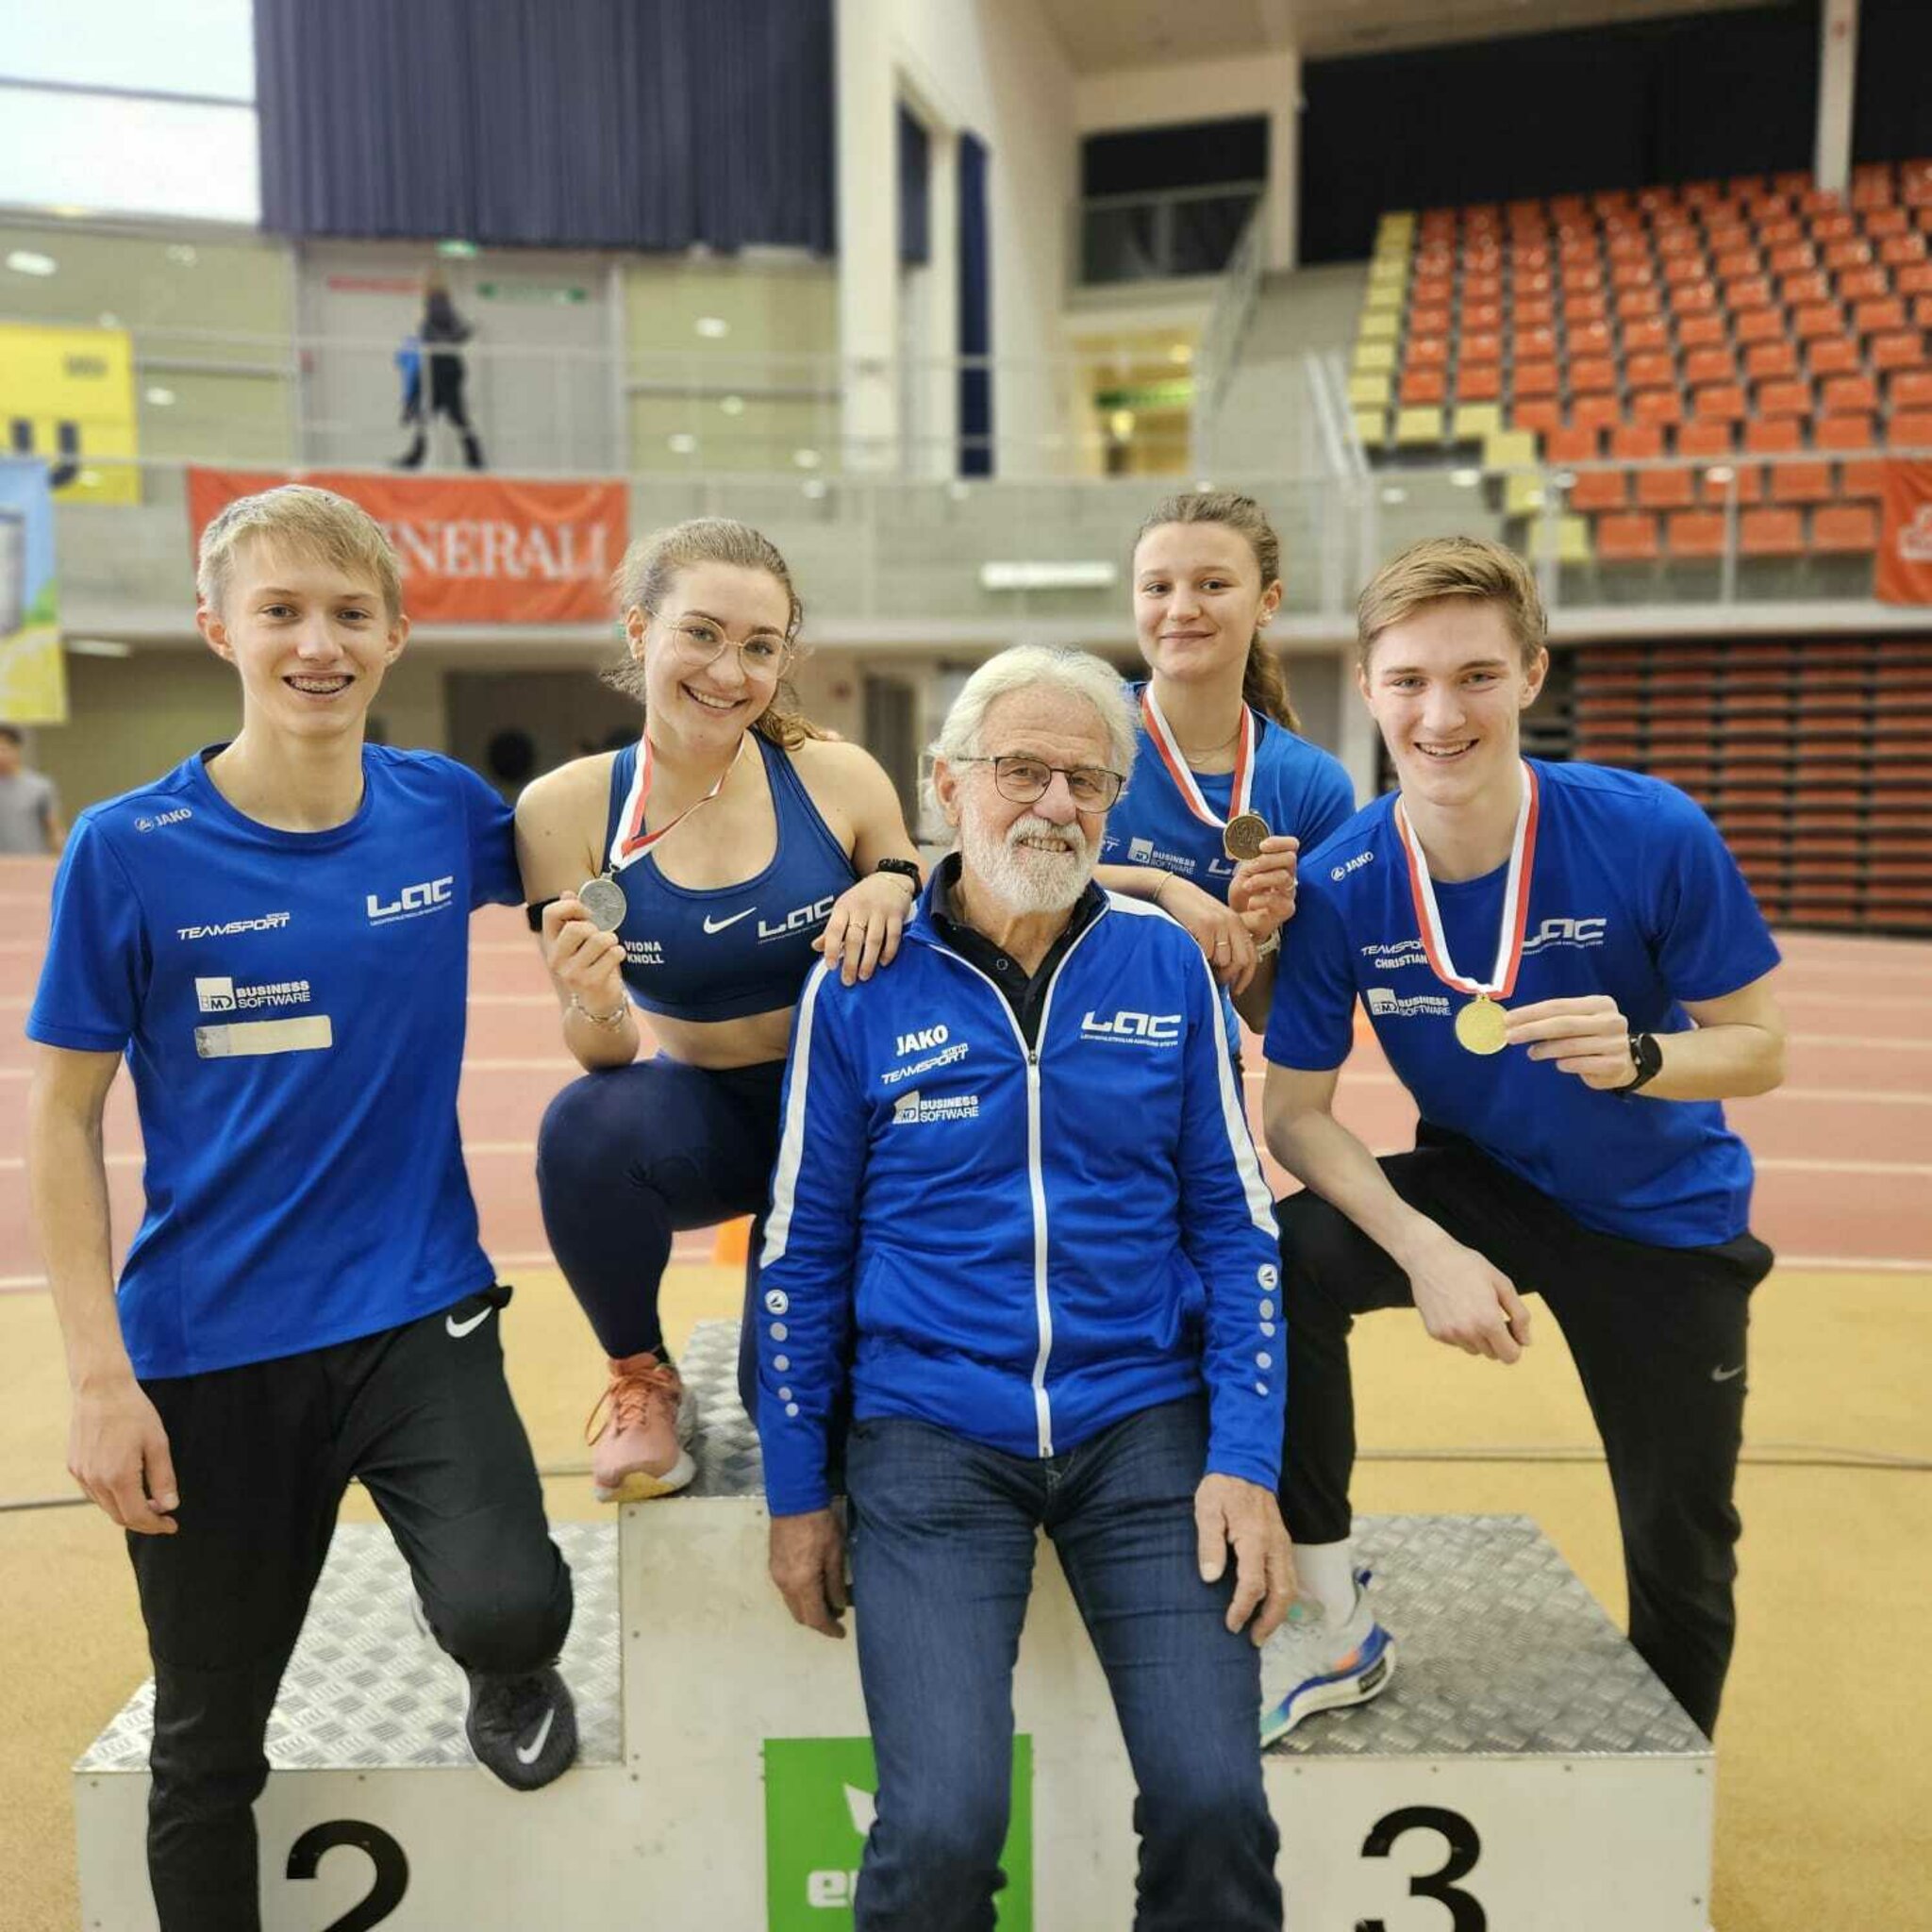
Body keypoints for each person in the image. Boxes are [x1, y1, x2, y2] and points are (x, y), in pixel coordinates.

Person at [26, 485, 576, 1932]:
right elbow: (66, 1122)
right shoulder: (128, 851)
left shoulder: (445, 813)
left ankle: (506, 1669)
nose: (315, 643)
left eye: (347, 614)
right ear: (219, 630)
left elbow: (621, 841)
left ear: (396, 636)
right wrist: (98, 1379)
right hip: (209, 1348)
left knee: (515, 1606)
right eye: (280, 611)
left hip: (417, 1311)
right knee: (209, 1750)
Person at [759, 644, 1293, 1932]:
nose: (1055, 804)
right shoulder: (860, 982)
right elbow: (799, 1252)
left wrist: (1246, 1458)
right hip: (930, 1440)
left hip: (1143, 1435)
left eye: (1086, 781)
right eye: (1020, 771)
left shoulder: (1166, 969)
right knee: (940, 1831)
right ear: (947, 784)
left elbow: (1238, 1232)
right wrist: (796, 1493)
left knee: (1218, 1803)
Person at [1257, 535, 1784, 1745]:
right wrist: (1421, 1247)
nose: (1440, 714)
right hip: (1481, 1183)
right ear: (1369, 684)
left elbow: (1759, 1044)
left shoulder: (1647, 830)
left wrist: (1645, 1056)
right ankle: (1323, 1597)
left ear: (1530, 675)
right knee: (1278, 1255)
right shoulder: (1341, 879)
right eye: (1408, 682)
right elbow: (1292, 1109)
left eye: (1475, 676)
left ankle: (1663, 1803)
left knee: (1680, 1546)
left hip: (1661, 1218)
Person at [515, 517, 921, 1505]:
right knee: (582, 1127)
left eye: (758, 645)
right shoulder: (564, 809)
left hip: (847, 1122)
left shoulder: (839, 778)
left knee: (784, 1406)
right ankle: (641, 1377)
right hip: (703, 1113)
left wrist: (893, 885)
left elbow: (932, 889)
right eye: (699, 633)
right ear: (638, 631)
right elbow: (599, 1054)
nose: (727, 670)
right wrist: (600, 999)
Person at [1099, 491, 1356, 1037]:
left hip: (1192, 1078)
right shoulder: (1083, 731)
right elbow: (991, 881)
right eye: (1157, 587)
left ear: (1268, 601)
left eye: (1212, 585)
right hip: (1049, 1065)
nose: (1181, 609)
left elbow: (1265, 1014)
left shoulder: (1311, 785)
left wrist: (1255, 932)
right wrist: (1162, 886)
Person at [395, 274, 485, 470]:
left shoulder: (435, 307)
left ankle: (417, 456)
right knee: (452, 414)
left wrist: (437, 340)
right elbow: (460, 332)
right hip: (447, 365)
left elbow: (435, 335)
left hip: (440, 366)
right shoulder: (444, 308)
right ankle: (474, 457)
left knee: (434, 413)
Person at [0, 722, 65, 853]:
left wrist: (63, 857)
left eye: (3, 749)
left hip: (31, 862)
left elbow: (54, 828)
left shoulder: (40, 786)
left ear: (16, 749)